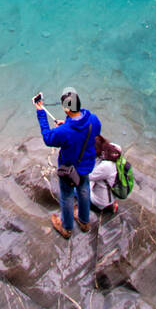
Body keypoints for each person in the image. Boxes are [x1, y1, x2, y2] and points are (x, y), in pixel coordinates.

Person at [34, 87, 101, 240]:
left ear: (66, 110)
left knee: (67, 196)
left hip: (69, 169)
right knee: (84, 190)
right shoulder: (93, 119)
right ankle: (84, 221)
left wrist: (41, 112)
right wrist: (69, 122)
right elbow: (94, 132)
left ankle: (67, 227)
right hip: (87, 164)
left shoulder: (64, 132)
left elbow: (48, 138)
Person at [88, 134, 120, 213]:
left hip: (99, 203)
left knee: (75, 189)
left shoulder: (106, 166)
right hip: (109, 194)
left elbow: (86, 177)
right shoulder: (114, 149)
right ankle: (111, 204)